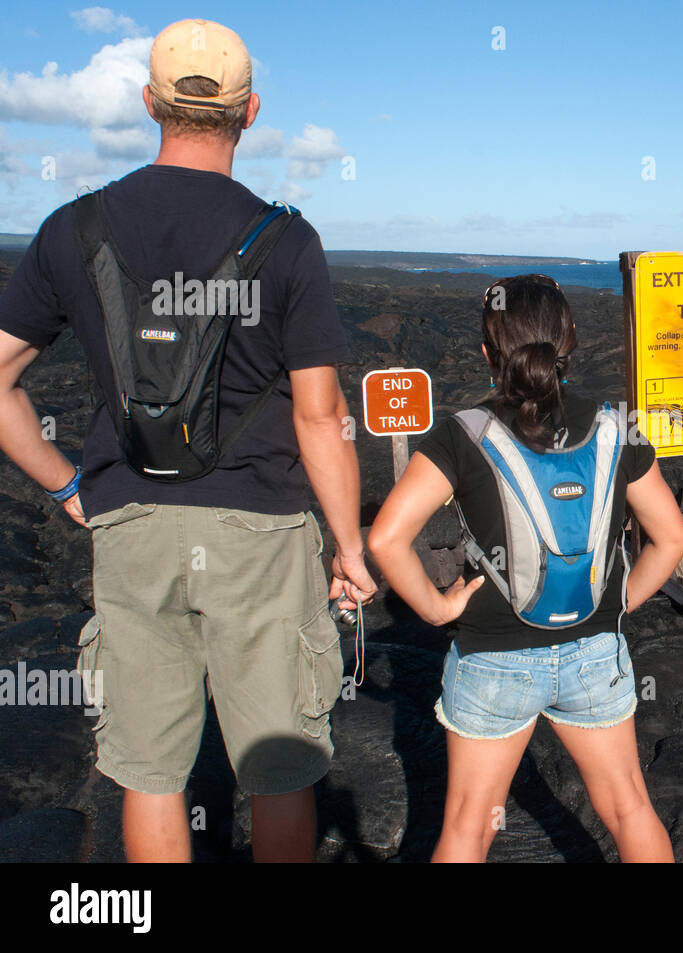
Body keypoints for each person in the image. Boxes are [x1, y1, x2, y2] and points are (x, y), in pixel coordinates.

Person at [0, 18, 376, 862]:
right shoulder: (289, 242)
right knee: (282, 769)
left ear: (146, 104)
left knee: (151, 774)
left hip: (128, 523)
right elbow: (320, 420)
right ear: (249, 112)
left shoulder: (72, 229)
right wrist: (349, 549)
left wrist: (70, 490)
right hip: (263, 532)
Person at [367, 274, 683, 862]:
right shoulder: (621, 427)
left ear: (489, 352)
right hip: (596, 651)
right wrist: (619, 603)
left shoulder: (463, 434)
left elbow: (388, 539)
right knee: (629, 810)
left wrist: (439, 609)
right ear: (568, 341)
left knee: (468, 829)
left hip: (492, 658)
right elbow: (670, 540)